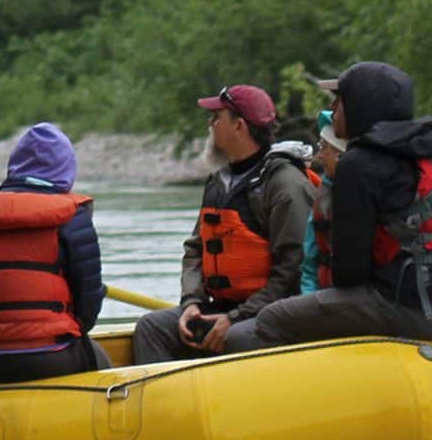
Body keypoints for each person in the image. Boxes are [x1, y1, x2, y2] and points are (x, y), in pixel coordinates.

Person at [228, 62, 432, 347]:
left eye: (339, 100)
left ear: (362, 106)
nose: (332, 109)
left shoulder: (358, 163)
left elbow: (349, 275)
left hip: (411, 312)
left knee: (263, 322)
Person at [131, 83, 325, 364]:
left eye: (216, 117)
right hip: (225, 307)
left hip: (274, 311)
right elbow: (196, 249)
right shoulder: (218, 182)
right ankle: (162, 393)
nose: (210, 124)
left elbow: (292, 270)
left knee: (237, 337)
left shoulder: (285, 185)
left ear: (238, 126)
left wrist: (235, 318)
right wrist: (192, 303)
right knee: (152, 328)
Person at [0, 122, 106, 383]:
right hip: (51, 356)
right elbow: (88, 300)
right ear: (66, 169)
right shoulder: (73, 218)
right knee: (102, 361)